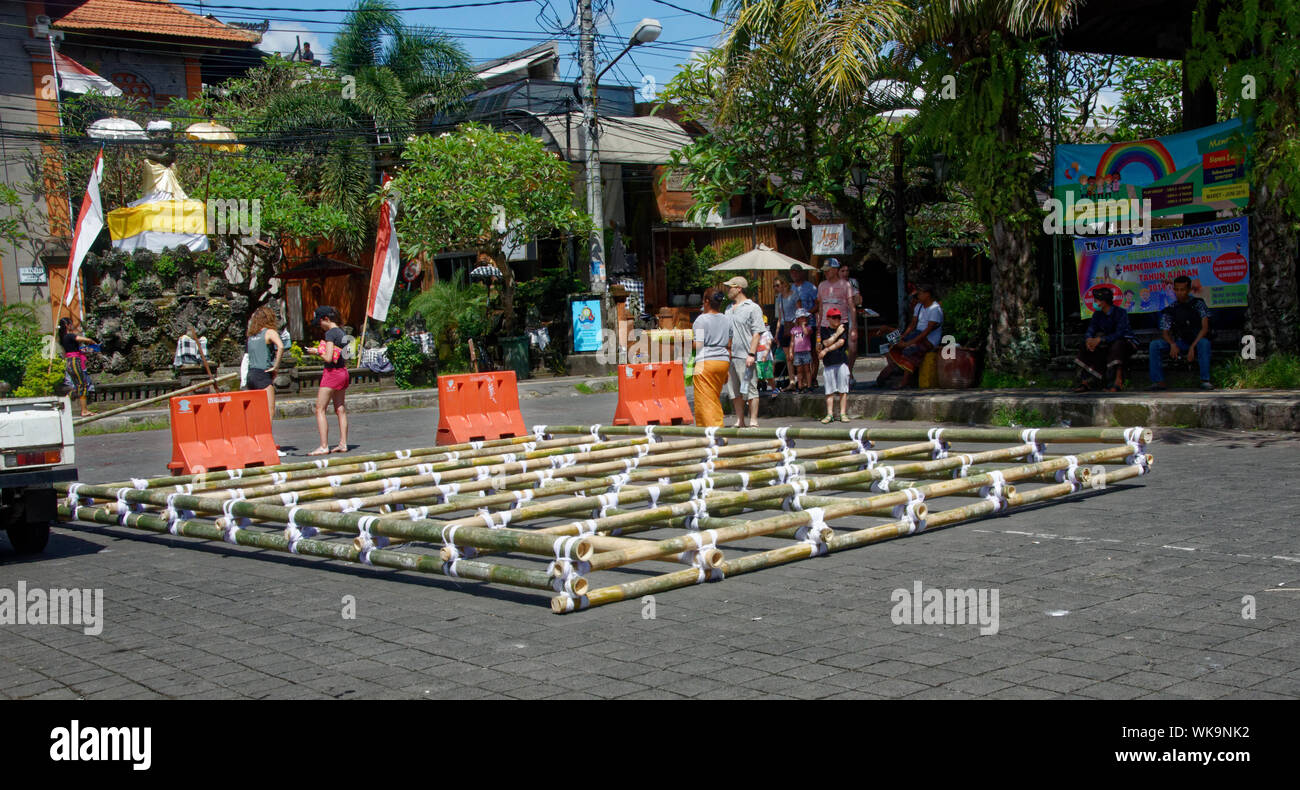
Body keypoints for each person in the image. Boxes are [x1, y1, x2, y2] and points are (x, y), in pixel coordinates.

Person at [1149, 275, 1213, 391]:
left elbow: (1205, 328)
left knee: (1204, 343)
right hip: (1180, 342)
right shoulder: (1172, 308)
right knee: (1155, 345)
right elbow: (1165, 332)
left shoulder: (1198, 304)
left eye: (1182, 290)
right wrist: (1172, 344)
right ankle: (1158, 382)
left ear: (1188, 290)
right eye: (1176, 289)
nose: (1179, 293)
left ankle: (1205, 380)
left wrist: (1193, 347)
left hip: (1197, 341)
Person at [876, 284, 943, 388]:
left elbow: (926, 332)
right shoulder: (919, 306)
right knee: (891, 344)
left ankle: (904, 381)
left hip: (928, 339)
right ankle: (894, 368)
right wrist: (902, 337)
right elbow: (912, 325)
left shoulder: (935, 309)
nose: (917, 297)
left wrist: (908, 343)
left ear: (927, 294)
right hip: (916, 334)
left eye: (920, 294)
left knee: (909, 350)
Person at [305, 305, 349, 454]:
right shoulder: (342, 332)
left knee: (320, 409)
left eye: (320, 322)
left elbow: (329, 357)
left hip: (331, 373)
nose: (319, 325)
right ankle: (343, 443)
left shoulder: (330, 334)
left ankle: (324, 446)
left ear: (326, 319)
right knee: (340, 409)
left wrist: (317, 351)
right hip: (343, 372)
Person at [1073, 287, 1136, 392]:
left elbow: (1120, 333)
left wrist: (1100, 340)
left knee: (1117, 345)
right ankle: (1086, 382)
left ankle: (1117, 382)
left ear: (1104, 302)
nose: (1094, 302)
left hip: (1125, 342)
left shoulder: (1120, 313)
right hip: (1107, 343)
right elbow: (1091, 329)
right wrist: (1089, 340)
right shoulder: (1097, 314)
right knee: (1085, 345)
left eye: (1096, 300)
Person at [723, 276, 765, 428]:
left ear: (739, 288)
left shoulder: (752, 307)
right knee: (734, 390)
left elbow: (757, 332)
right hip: (731, 354)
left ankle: (753, 419)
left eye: (730, 287)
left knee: (750, 387)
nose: (728, 290)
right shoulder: (728, 309)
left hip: (745, 354)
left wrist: (752, 354)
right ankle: (740, 419)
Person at [691, 289, 731, 427]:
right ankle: (713, 432)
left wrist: (685, 342)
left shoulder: (701, 320)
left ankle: (713, 434)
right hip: (723, 361)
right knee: (713, 397)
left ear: (707, 301)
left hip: (706, 362)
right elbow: (729, 344)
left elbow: (698, 345)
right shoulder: (726, 319)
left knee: (705, 401)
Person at [246, 305, 285, 421]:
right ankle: (266, 436)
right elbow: (281, 346)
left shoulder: (251, 336)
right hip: (263, 374)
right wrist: (276, 366)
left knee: (256, 411)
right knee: (269, 410)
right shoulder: (269, 332)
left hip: (251, 374)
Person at [58, 317, 98, 417]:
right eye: (71, 324)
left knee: (77, 386)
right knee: (82, 385)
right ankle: (84, 410)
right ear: (67, 325)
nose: (72, 326)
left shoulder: (62, 338)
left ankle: (63, 402)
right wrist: (91, 341)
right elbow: (82, 339)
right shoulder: (69, 336)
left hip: (69, 362)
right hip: (74, 361)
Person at [818, 308, 850, 423]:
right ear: (828, 319)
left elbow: (840, 343)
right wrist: (836, 334)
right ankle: (829, 414)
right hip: (829, 363)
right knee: (829, 390)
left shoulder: (843, 328)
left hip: (841, 361)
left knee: (843, 389)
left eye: (838, 317)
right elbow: (825, 342)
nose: (837, 320)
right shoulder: (824, 330)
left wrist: (826, 350)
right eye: (834, 317)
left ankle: (843, 413)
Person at [789, 308, 815, 392]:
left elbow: (807, 333)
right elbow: (792, 341)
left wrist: (803, 325)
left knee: (807, 369)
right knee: (799, 370)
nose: (803, 319)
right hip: (797, 352)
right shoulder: (794, 330)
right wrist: (790, 351)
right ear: (798, 319)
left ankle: (809, 385)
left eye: (805, 317)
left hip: (806, 351)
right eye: (801, 318)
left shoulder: (808, 328)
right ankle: (800, 385)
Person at [756, 316, 777, 395]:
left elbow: (769, 343)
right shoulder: (755, 334)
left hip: (766, 358)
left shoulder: (767, 333)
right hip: (757, 358)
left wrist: (765, 355)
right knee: (758, 376)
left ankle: (774, 389)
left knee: (769, 375)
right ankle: (755, 391)